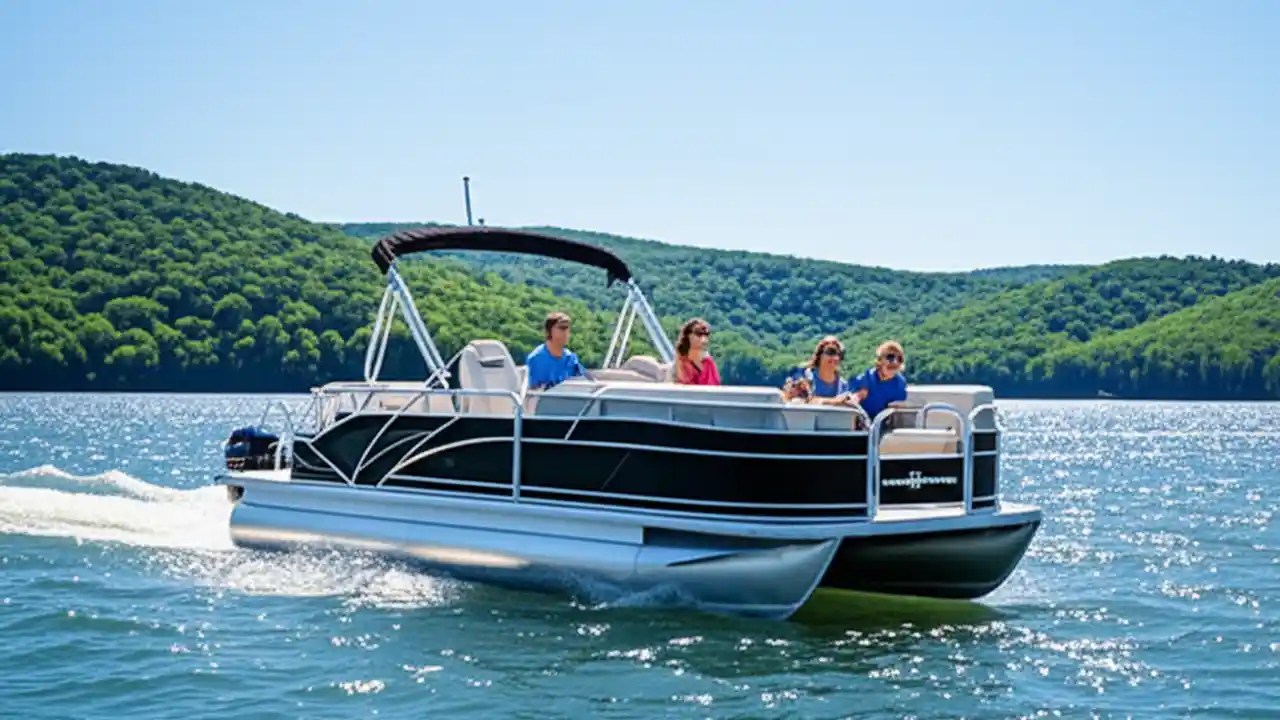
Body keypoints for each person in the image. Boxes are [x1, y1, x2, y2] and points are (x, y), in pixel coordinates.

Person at [782, 336, 854, 406]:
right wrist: (835, 401)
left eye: (838, 354)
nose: (834, 357)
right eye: (830, 352)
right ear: (820, 355)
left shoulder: (843, 385)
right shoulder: (805, 377)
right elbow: (800, 402)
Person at [525, 311, 585, 390]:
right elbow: (533, 392)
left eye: (568, 328)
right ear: (549, 331)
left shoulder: (571, 358)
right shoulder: (536, 359)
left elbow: (585, 383)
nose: (566, 332)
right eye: (562, 328)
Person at [851, 340, 909, 419]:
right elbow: (854, 400)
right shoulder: (867, 378)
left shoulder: (900, 383)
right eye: (890, 357)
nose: (895, 362)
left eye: (899, 359)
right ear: (880, 360)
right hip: (863, 423)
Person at [673, 318, 721, 386]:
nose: (703, 337)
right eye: (698, 333)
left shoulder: (708, 362)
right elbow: (683, 383)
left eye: (706, 334)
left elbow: (715, 386)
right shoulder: (681, 361)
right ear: (688, 335)